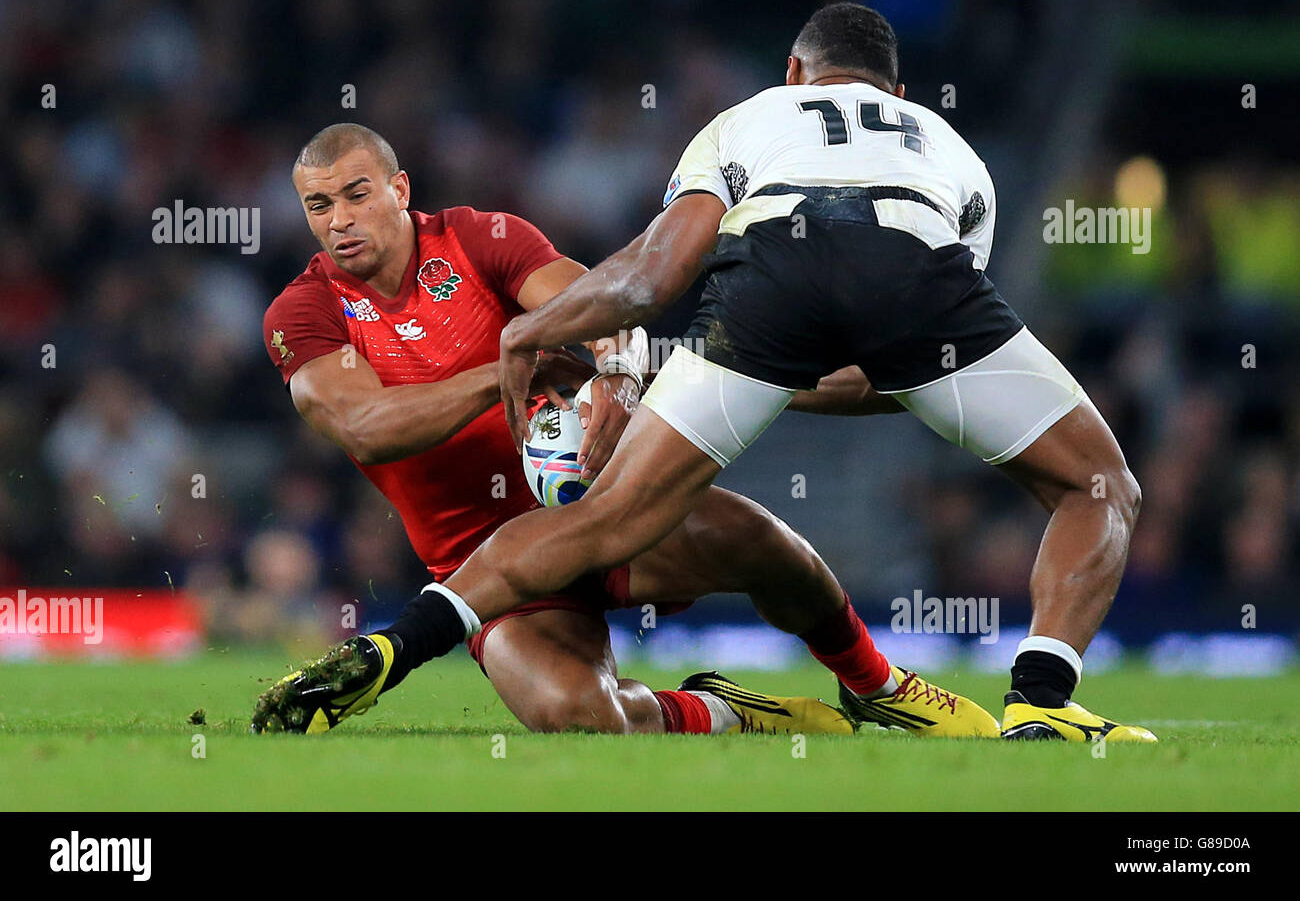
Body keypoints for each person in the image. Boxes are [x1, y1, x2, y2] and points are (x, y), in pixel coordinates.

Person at [321, 3, 1156, 744]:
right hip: (920, 272)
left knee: (603, 518)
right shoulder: (955, 152)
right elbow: (909, 367)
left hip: (767, 287)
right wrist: (785, 389)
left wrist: (533, 336)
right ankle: (1042, 700)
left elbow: (656, 275)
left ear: (793, 73)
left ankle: (396, 646)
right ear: (898, 95)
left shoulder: (752, 116)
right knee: (1099, 484)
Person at [250, 122, 997, 738]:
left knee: (777, 552)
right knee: (579, 716)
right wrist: (507, 369)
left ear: (399, 188)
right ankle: (724, 710)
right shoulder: (304, 312)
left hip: (606, 510)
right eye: (319, 207)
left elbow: (612, 311)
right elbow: (368, 427)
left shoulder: (479, 238)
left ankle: (877, 686)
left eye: (356, 194)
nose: (340, 220)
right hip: (483, 575)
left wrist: (615, 370)